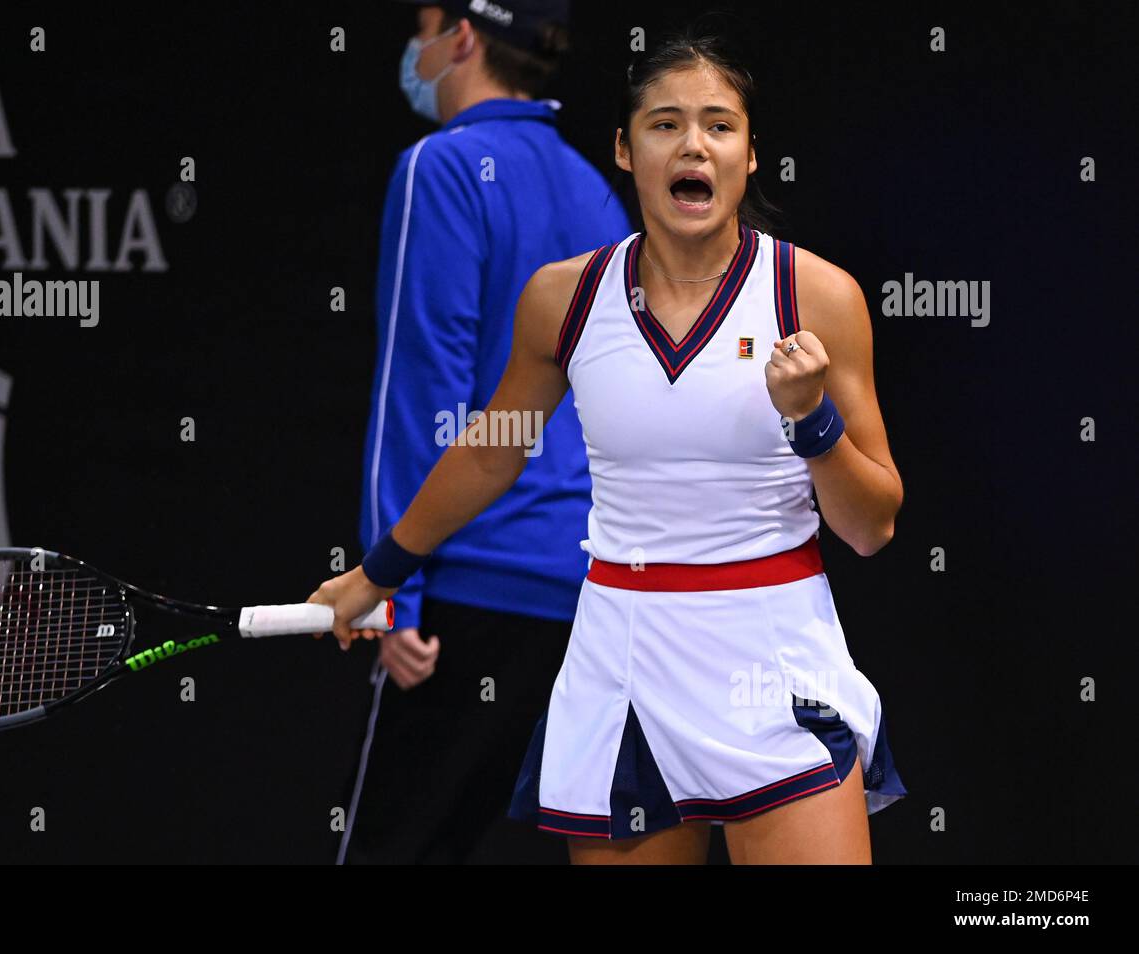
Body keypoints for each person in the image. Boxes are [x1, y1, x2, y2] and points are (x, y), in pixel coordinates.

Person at [316, 26, 909, 865]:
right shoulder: (564, 299)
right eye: (665, 124)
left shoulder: (817, 295)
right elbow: (494, 448)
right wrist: (375, 574)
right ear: (625, 152)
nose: (692, 143)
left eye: (717, 124)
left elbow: (871, 526)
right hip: (621, 661)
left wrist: (812, 422)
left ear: (747, 154)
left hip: (773, 661)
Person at [334, 0, 633, 864]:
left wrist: (394, 587)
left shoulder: (443, 167)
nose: (414, 45)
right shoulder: (596, 188)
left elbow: (422, 389)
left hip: (470, 592)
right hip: (591, 601)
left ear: (461, 37)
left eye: (422, 24)